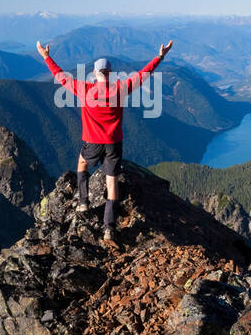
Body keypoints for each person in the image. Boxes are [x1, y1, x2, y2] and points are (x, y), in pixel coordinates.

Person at [36, 39, 173, 242]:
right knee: (112, 182)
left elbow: (61, 76)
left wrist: (46, 56)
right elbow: (144, 75)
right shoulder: (120, 88)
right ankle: (109, 228)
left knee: (82, 164)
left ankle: (83, 201)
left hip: (92, 141)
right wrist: (160, 56)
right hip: (113, 143)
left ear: (95, 73)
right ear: (110, 73)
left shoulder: (84, 89)